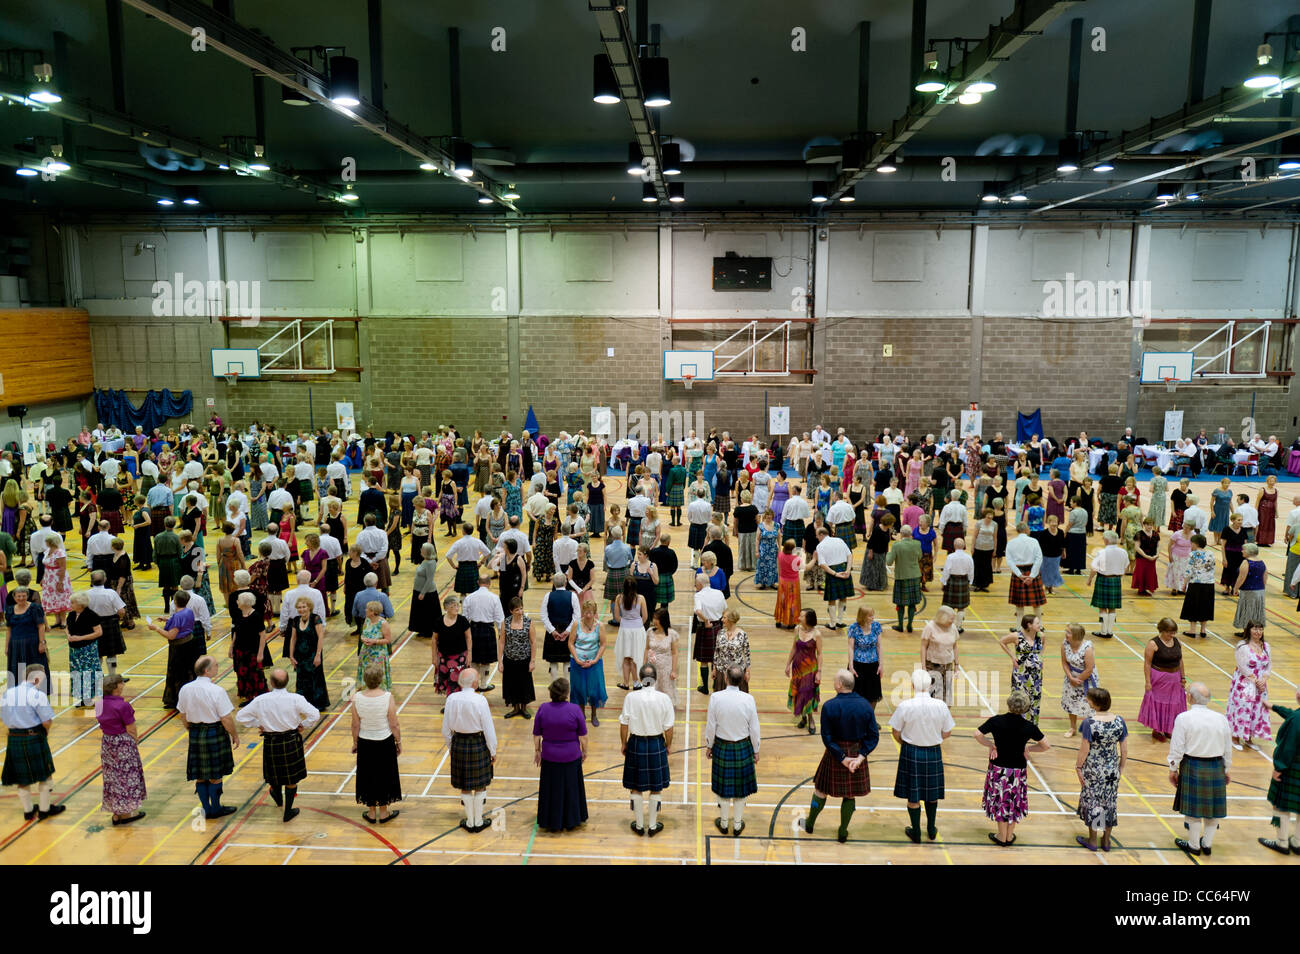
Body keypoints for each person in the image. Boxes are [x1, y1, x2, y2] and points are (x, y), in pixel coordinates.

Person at [801, 668, 879, 843]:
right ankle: (843, 831)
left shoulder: (829, 706)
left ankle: (810, 824)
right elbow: (873, 736)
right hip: (856, 753)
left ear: (839, 685)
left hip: (836, 754)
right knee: (849, 795)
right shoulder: (866, 706)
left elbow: (827, 738)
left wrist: (842, 757)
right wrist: (860, 757)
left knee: (820, 790)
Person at [235, 667, 320, 823]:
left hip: (271, 741)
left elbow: (241, 717)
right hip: (290, 740)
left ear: (271, 682)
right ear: (287, 682)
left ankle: (276, 794)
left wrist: (258, 724)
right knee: (291, 778)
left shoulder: (261, 699)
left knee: (274, 772)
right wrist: (303, 725)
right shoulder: (296, 698)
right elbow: (315, 714)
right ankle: (288, 811)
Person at [975, 688, 1049, 847]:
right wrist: (1029, 749)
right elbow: (1045, 746)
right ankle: (1008, 835)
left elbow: (977, 734)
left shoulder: (996, 720)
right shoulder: (1029, 726)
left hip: (998, 769)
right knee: (1014, 801)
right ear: (1025, 707)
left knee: (1001, 800)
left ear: (1009, 704)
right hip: (1017, 771)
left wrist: (990, 745)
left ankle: (1001, 836)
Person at [890, 669, 955, 844]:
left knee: (914, 794)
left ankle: (916, 832)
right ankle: (931, 829)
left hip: (911, 752)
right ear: (930, 685)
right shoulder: (941, 705)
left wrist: (905, 744)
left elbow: (895, 732)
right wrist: (934, 738)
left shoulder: (905, 705)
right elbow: (947, 731)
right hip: (933, 751)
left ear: (912, 686)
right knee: (931, 793)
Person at [1168, 682, 1233, 858]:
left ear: (1189, 697)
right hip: (1216, 766)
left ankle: (1194, 846)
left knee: (1194, 811)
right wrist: (1226, 768)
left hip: (1192, 766)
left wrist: (1173, 769)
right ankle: (1207, 844)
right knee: (1213, 810)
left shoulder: (1183, 718)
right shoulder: (1221, 719)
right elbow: (1228, 747)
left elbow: (1177, 747)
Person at [177, 655, 240, 819]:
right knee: (215, 775)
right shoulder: (216, 690)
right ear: (207, 670)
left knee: (200, 776)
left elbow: (182, 714)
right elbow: (226, 718)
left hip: (196, 733)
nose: (218, 668)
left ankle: (206, 809)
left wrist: (190, 729)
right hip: (214, 732)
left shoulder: (185, 689)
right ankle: (216, 808)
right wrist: (234, 735)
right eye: (216, 666)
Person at [1, 665, 65, 821]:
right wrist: (45, 735)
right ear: (36, 679)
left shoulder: (7, 693)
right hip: (34, 737)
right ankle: (44, 810)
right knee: (45, 775)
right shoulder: (37, 695)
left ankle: (28, 811)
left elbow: (3, 717)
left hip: (14, 737)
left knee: (22, 778)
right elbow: (47, 721)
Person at [706, 665, 761, 837]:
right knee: (740, 790)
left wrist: (709, 745)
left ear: (726, 679)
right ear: (743, 679)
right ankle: (737, 825)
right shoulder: (748, 699)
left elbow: (711, 725)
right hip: (743, 747)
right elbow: (754, 728)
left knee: (723, 789)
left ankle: (723, 824)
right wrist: (756, 749)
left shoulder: (715, 697)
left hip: (722, 746)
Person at [620, 663, 675, 836]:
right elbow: (669, 728)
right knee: (656, 785)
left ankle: (638, 825)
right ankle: (652, 826)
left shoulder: (631, 697)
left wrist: (624, 743)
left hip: (636, 743)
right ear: (656, 678)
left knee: (636, 786)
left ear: (641, 679)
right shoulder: (664, 698)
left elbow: (624, 723)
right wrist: (668, 745)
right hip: (656, 743)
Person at [443, 667, 498, 832]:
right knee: (480, 785)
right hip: (477, 743)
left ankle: (470, 822)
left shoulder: (451, 699)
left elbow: (446, 730)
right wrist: (493, 750)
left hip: (459, 742)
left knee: (465, 784)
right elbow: (488, 729)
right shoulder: (480, 700)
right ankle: (478, 822)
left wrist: (451, 747)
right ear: (475, 683)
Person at [1074, 687, 1128, 852]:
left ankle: (1092, 840)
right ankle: (1106, 841)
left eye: (1089, 699)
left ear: (1095, 704)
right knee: (1109, 802)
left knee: (1094, 803)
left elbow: (1085, 750)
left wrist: (1077, 766)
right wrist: (1120, 768)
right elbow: (1124, 751)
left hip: (1093, 770)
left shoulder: (1089, 723)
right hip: (1112, 769)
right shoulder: (1120, 721)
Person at [532, 678, 589, 833]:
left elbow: (537, 734)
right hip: (571, 756)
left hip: (550, 757)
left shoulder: (543, 709)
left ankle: (551, 820)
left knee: (551, 789)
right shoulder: (575, 709)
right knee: (571, 789)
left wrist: (537, 751)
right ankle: (571, 820)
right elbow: (583, 736)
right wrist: (585, 751)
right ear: (566, 693)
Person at [351, 660, 402, 824]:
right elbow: (394, 723)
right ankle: (384, 812)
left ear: (364, 680)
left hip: (365, 741)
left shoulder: (357, 698)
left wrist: (355, 743)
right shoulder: (387, 697)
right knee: (385, 775)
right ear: (381, 679)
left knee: (368, 775)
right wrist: (398, 741)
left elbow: (355, 724)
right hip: (384, 741)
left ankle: (372, 813)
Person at [96, 672, 146, 825]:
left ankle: (116, 812)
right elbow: (131, 728)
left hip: (107, 742)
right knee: (126, 777)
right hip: (122, 742)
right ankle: (125, 814)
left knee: (112, 777)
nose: (123, 685)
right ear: (116, 687)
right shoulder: (123, 705)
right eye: (121, 683)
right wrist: (135, 742)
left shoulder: (99, 703)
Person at [1259, 687, 1300, 854]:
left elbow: (1287, 748)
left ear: (1298, 696)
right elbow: (1292, 715)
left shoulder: (1296, 719)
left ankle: (1282, 842)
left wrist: (1279, 768)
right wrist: (1273, 707)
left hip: (1292, 768)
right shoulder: (1295, 717)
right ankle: (1297, 843)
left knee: (1282, 805)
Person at [1139, 617, 1187, 742]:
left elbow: (1180, 661)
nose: (1172, 635)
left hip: (1174, 678)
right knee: (1159, 704)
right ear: (1162, 630)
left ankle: (1168, 728)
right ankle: (1157, 730)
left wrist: (1183, 676)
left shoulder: (1177, 641)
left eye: (1174, 632)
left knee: (1173, 704)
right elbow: (1147, 664)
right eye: (1169, 632)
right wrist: (1148, 682)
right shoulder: (1153, 644)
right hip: (1159, 678)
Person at [1226, 621, 1271, 748]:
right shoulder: (1243, 646)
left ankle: (1248, 738)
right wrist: (1256, 681)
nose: (1258, 632)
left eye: (1260, 629)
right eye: (1255, 629)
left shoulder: (1266, 646)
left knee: (1256, 710)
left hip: (1261, 685)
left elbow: (1269, 665)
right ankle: (1235, 738)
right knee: (1243, 709)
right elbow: (1243, 667)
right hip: (1245, 684)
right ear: (1249, 630)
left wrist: (1264, 679)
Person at [999, 614, 1044, 725]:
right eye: (1037, 623)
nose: (1040, 625)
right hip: (1021, 674)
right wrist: (1012, 657)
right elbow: (1002, 642)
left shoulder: (1041, 635)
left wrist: (1040, 658)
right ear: (1029, 625)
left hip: (1036, 675)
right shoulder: (1016, 636)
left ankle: (1032, 726)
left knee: (1035, 700)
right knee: (1019, 700)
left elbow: (1043, 646)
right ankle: (1017, 725)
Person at [568, 598, 607, 725]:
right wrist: (577, 659)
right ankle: (581, 715)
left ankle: (594, 715)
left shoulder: (600, 626)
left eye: (590, 612)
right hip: (577, 662)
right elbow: (571, 643)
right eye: (586, 612)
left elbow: (603, 644)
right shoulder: (576, 624)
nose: (588, 615)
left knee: (594, 690)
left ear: (594, 612)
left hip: (594, 663)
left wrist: (595, 660)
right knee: (579, 689)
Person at [229, 591, 272, 705]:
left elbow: (262, 635)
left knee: (255, 674)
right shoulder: (238, 615)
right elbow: (236, 632)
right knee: (242, 673)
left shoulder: (256, 616)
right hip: (240, 650)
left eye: (238, 600)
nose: (237, 602)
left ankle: (258, 696)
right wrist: (231, 646)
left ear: (244, 603)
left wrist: (260, 653)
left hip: (252, 650)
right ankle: (248, 697)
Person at [287, 596, 330, 711]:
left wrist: (318, 655)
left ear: (309, 607)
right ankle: (303, 704)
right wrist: (291, 656)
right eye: (299, 607)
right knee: (301, 679)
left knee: (315, 678)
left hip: (313, 654)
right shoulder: (296, 620)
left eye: (304, 607)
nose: (302, 609)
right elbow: (293, 639)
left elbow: (321, 637)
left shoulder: (316, 619)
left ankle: (318, 703)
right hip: (300, 655)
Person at [786, 608, 823, 734]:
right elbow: (793, 648)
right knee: (799, 692)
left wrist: (819, 671)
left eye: (801, 616)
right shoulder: (797, 629)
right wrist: (787, 664)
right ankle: (803, 717)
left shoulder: (816, 634)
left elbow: (820, 654)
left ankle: (811, 719)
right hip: (797, 667)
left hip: (810, 669)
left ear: (808, 619)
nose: (799, 617)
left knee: (808, 693)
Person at [499, 596, 536, 719]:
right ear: (511, 611)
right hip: (509, 660)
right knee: (511, 684)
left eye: (521, 609)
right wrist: (500, 661)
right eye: (517, 610)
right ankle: (515, 708)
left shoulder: (528, 622)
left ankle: (524, 708)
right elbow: (502, 642)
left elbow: (533, 642)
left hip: (524, 660)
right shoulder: (506, 622)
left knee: (524, 684)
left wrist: (532, 661)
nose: (520, 612)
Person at [813, 524, 855, 631]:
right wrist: (848, 570)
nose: (817, 538)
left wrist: (835, 574)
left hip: (833, 572)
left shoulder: (820, 546)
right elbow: (849, 555)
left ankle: (832, 624)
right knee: (843, 596)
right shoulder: (839, 540)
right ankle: (839, 621)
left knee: (832, 599)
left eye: (817, 536)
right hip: (845, 568)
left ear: (821, 534)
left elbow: (822, 564)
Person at [1059, 622, 1098, 737]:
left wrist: (1078, 679)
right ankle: (1072, 727)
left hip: (1086, 679)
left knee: (1089, 704)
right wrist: (1071, 678)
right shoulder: (1064, 644)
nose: (1066, 634)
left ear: (1076, 635)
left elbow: (1089, 669)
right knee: (1071, 702)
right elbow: (1064, 662)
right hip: (1071, 677)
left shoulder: (1087, 648)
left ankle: (1091, 728)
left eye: (1068, 632)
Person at [1087, 531, 1127, 638]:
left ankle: (1103, 632)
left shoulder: (1102, 552)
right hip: (1116, 580)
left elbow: (1094, 568)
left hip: (1104, 579)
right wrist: (1119, 576)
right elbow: (1126, 566)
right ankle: (1109, 631)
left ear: (1107, 540)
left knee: (1103, 606)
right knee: (1112, 607)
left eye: (1104, 538)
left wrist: (1089, 579)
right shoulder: (1123, 552)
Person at [693, 572, 726, 696]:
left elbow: (698, 611)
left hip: (705, 628)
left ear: (700, 584)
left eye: (696, 583)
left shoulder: (698, 595)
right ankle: (716, 686)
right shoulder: (719, 593)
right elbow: (724, 610)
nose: (695, 585)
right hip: (718, 626)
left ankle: (705, 687)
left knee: (704, 660)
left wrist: (706, 620)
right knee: (716, 658)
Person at [920, 606, 960, 705]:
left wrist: (956, 665)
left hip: (948, 665)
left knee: (947, 694)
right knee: (933, 695)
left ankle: (944, 714)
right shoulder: (930, 627)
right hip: (933, 665)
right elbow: (923, 647)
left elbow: (955, 646)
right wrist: (924, 666)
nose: (953, 621)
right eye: (951, 619)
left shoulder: (953, 628)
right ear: (943, 617)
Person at [846, 605, 884, 709]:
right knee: (857, 694)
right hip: (858, 665)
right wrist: (851, 666)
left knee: (873, 694)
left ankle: (870, 717)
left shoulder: (876, 626)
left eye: (873, 615)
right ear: (863, 616)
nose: (873, 618)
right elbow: (851, 648)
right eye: (870, 616)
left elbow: (879, 646)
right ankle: (857, 717)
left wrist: (881, 665)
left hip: (873, 665)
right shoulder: (854, 628)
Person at [644, 607, 679, 707]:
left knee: (666, 691)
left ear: (663, 620)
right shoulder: (650, 632)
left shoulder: (672, 634)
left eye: (657, 619)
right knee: (651, 690)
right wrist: (644, 665)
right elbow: (646, 649)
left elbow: (675, 653)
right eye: (654, 618)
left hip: (666, 668)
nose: (654, 621)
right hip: (652, 667)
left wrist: (673, 670)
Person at [357, 600, 394, 691]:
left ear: (373, 612)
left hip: (378, 654)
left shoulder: (383, 623)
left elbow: (388, 640)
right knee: (366, 671)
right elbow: (363, 634)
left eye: (367, 609)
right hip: (366, 652)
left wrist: (375, 641)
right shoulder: (367, 620)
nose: (365, 610)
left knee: (376, 672)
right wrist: (363, 639)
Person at [1232, 545, 1267, 633]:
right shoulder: (1261, 562)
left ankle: (1247, 632)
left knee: (1247, 610)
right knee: (1256, 611)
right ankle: (1255, 631)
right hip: (1260, 590)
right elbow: (1265, 576)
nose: (1242, 551)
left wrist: (1236, 588)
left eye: (1243, 550)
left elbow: (1241, 577)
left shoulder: (1246, 562)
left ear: (1249, 551)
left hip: (1249, 591)